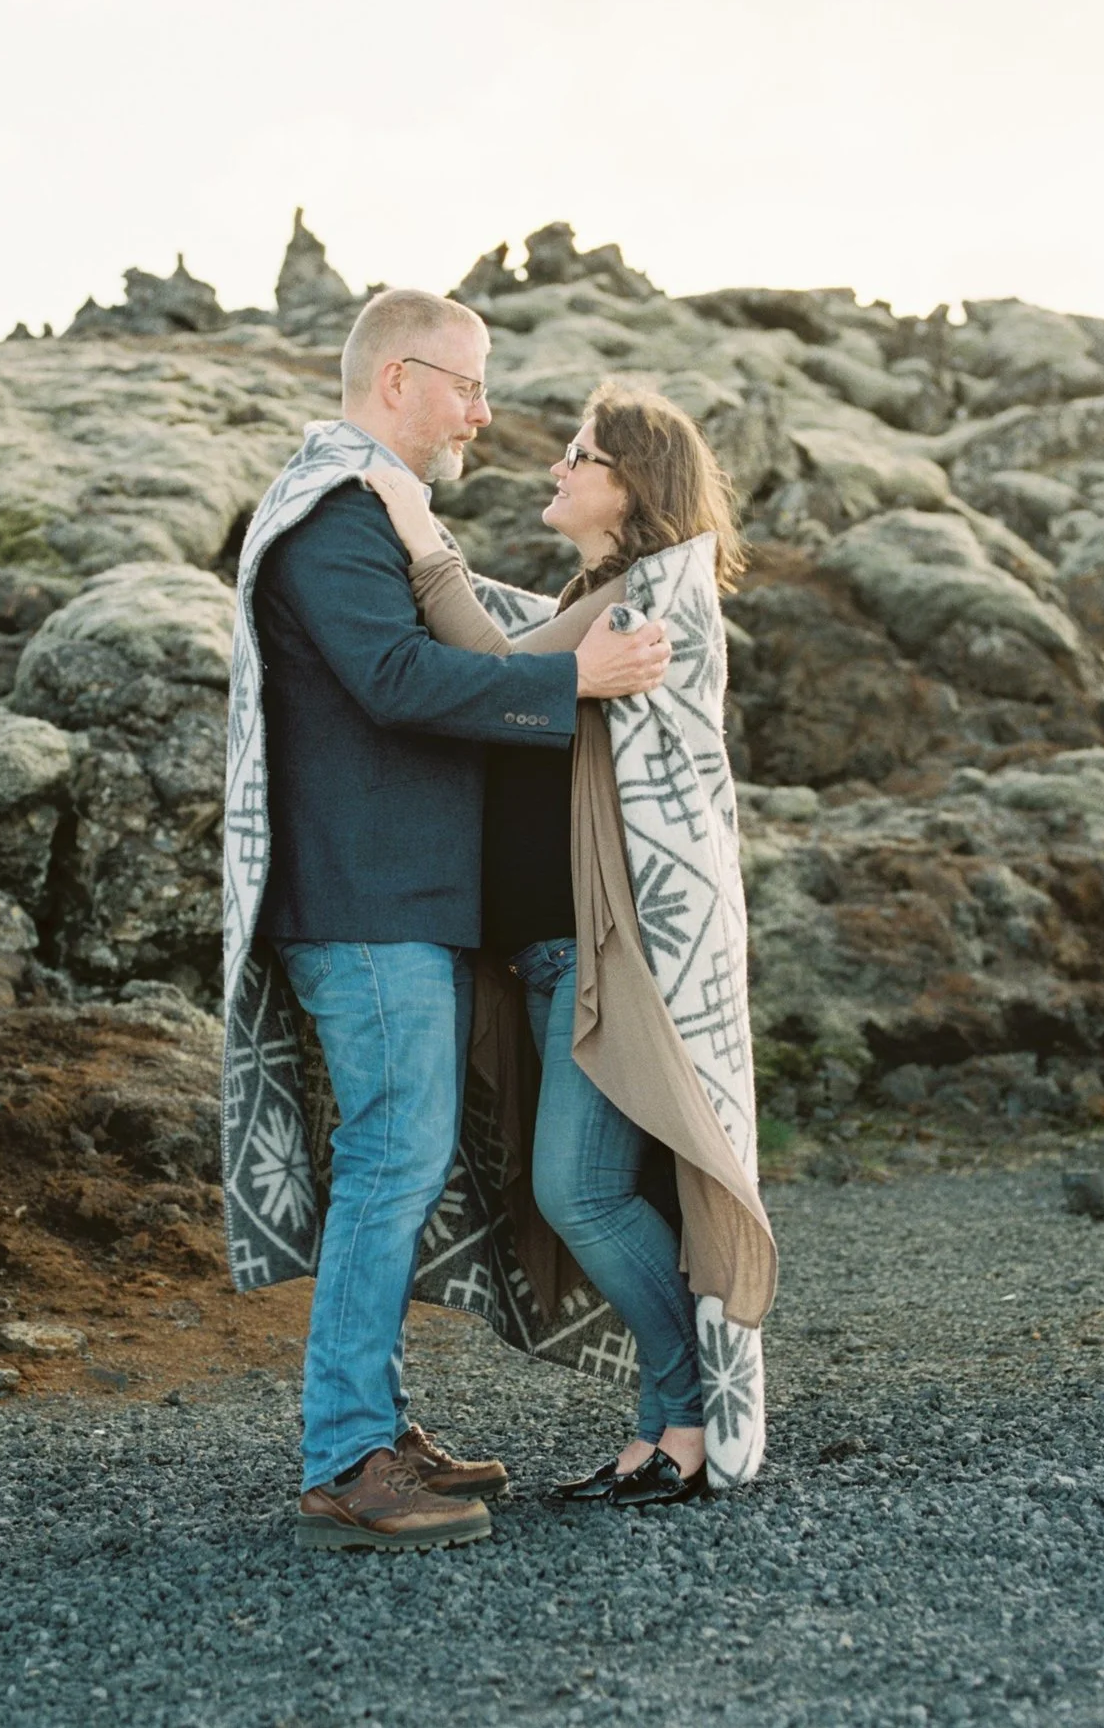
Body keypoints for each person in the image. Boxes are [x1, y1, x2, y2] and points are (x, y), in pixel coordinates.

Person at [218, 290, 674, 1552]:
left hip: (400, 903)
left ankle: (374, 1426)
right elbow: (396, 680)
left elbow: (448, 639)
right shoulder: (333, 522)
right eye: (467, 384)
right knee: (390, 1162)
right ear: (399, 380)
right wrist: (568, 679)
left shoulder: (369, 513)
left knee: (399, 1161)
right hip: (366, 906)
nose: (483, 410)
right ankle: (346, 1459)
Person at [361, 380, 777, 1507]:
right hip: (560, 953)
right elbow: (522, 646)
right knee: (588, 1187)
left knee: (579, 1190)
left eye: (580, 455)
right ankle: (658, 1436)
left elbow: (498, 674)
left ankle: (684, 1419)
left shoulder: (635, 604)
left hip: (600, 959)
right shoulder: (600, 592)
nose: (558, 468)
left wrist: (416, 535)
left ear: (629, 488)